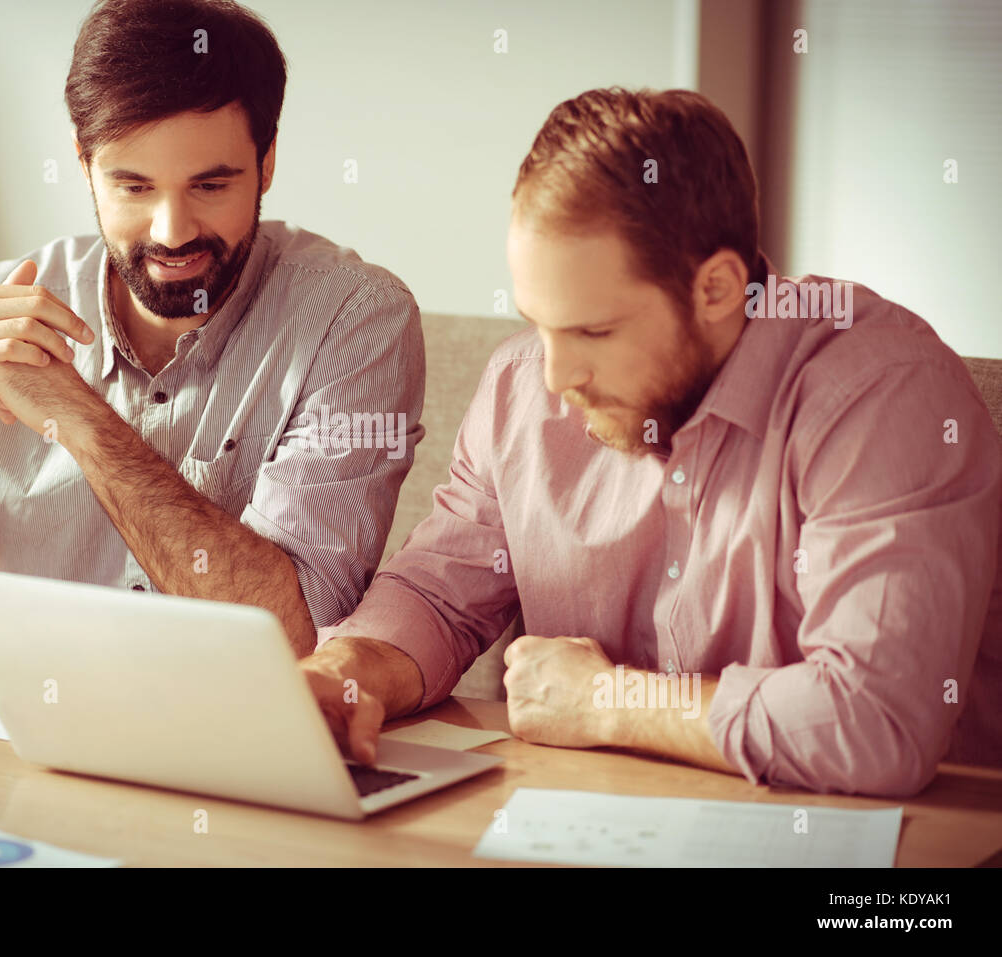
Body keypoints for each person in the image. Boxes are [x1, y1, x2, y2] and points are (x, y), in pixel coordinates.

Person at [301, 87, 1002, 797]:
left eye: (594, 332)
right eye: (539, 324)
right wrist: (343, 674)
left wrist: (612, 700)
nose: (556, 375)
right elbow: (441, 596)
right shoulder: (524, 386)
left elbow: (875, 723)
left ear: (718, 289)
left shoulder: (883, 398)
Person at [0, 0, 423, 656]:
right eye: (134, 187)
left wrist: (80, 420)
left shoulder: (355, 318)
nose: (172, 230)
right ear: (84, 163)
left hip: (247, 745)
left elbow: (295, 634)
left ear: (266, 162)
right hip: (42, 729)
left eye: (210, 186)